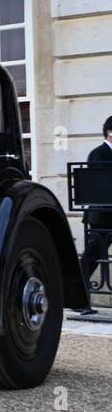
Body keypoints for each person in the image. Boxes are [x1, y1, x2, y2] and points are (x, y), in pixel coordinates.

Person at [77, 115, 112, 315]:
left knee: (93, 255)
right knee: (91, 256)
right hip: (102, 216)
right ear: (110, 132)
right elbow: (100, 185)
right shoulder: (98, 154)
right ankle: (81, 298)